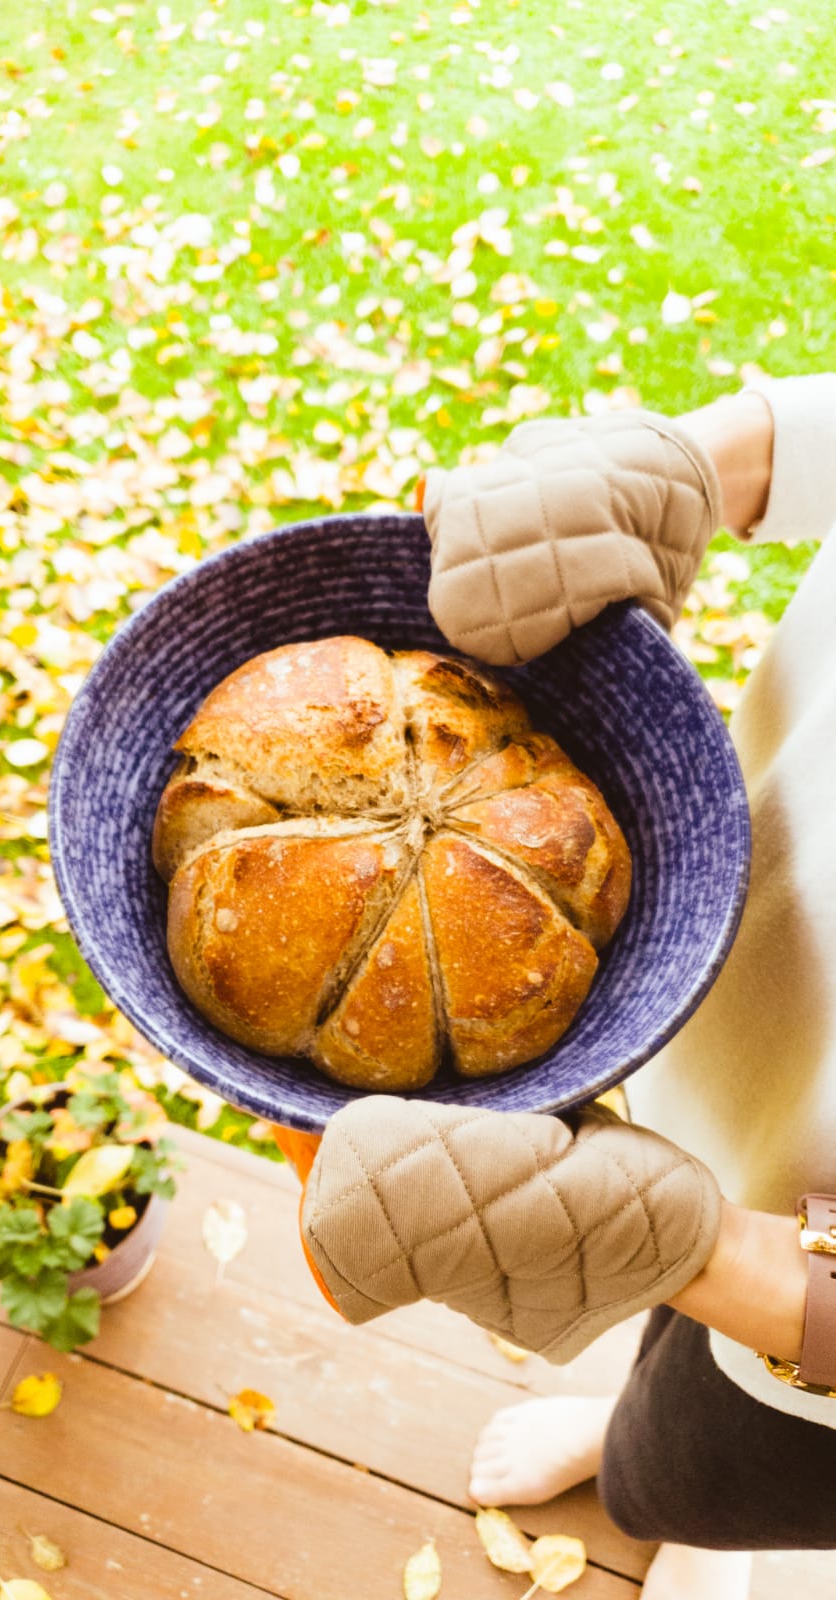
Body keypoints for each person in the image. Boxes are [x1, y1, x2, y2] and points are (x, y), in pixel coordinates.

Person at [295, 372, 836, 1599]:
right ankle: (631, 1404)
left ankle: (639, 1486)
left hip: (809, 1345)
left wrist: (698, 1253)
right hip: (723, 1023)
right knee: (654, 1300)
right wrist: (713, 461)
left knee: (698, 1464)